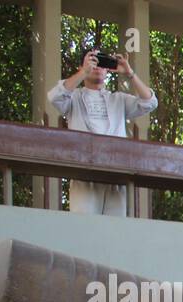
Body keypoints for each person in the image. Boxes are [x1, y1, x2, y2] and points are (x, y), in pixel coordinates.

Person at [48, 49, 157, 216]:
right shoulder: (74, 97)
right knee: (84, 228)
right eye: (93, 61)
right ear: (82, 64)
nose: (97, 66)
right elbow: (55, 97)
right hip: (84, 175)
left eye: (102, 62)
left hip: (116, 175)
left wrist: (130, 73)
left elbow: (150, 102)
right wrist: (84, 72)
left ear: (108, 69)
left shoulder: (118, 99)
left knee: (116, 231)